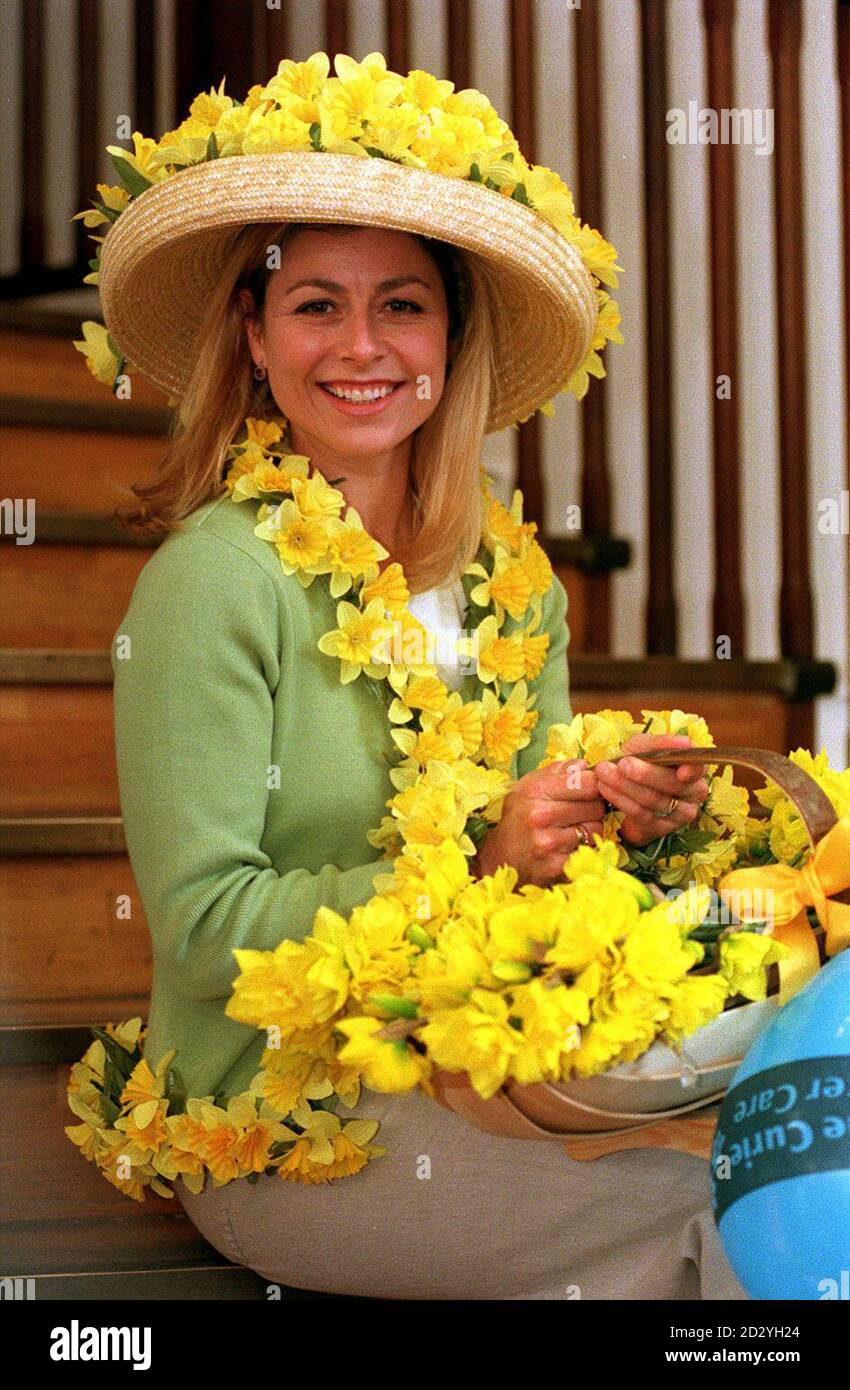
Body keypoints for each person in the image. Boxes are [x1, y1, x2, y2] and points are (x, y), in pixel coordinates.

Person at [87, 51, 748, 1299]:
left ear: (451, 333)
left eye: (401, 303)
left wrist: (610, 818)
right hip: (285, 1129)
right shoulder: (215, 581)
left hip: (490, 1071)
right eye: (314, 304)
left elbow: (529, 868)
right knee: (707, 1215)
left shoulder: (513, 580)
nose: (361, 346)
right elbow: (207, 928)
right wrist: (480, 857)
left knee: (777, 1143)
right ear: (255, 331)